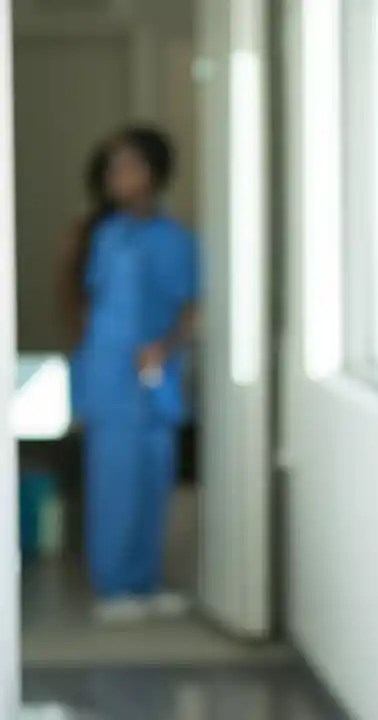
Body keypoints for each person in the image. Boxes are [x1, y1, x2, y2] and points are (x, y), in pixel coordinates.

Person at [60, 126, 200, 624]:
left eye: (130, 166)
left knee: (152, 479)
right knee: (114, 483)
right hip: (108, 375)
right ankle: (115, 583)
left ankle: (145, 581)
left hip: (155, 375)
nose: (119, 176)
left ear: (154, 172)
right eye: (113, 168)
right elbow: (78, 301)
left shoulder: (175, 240)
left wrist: (165, 347)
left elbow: (191, 305)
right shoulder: (98, 234)